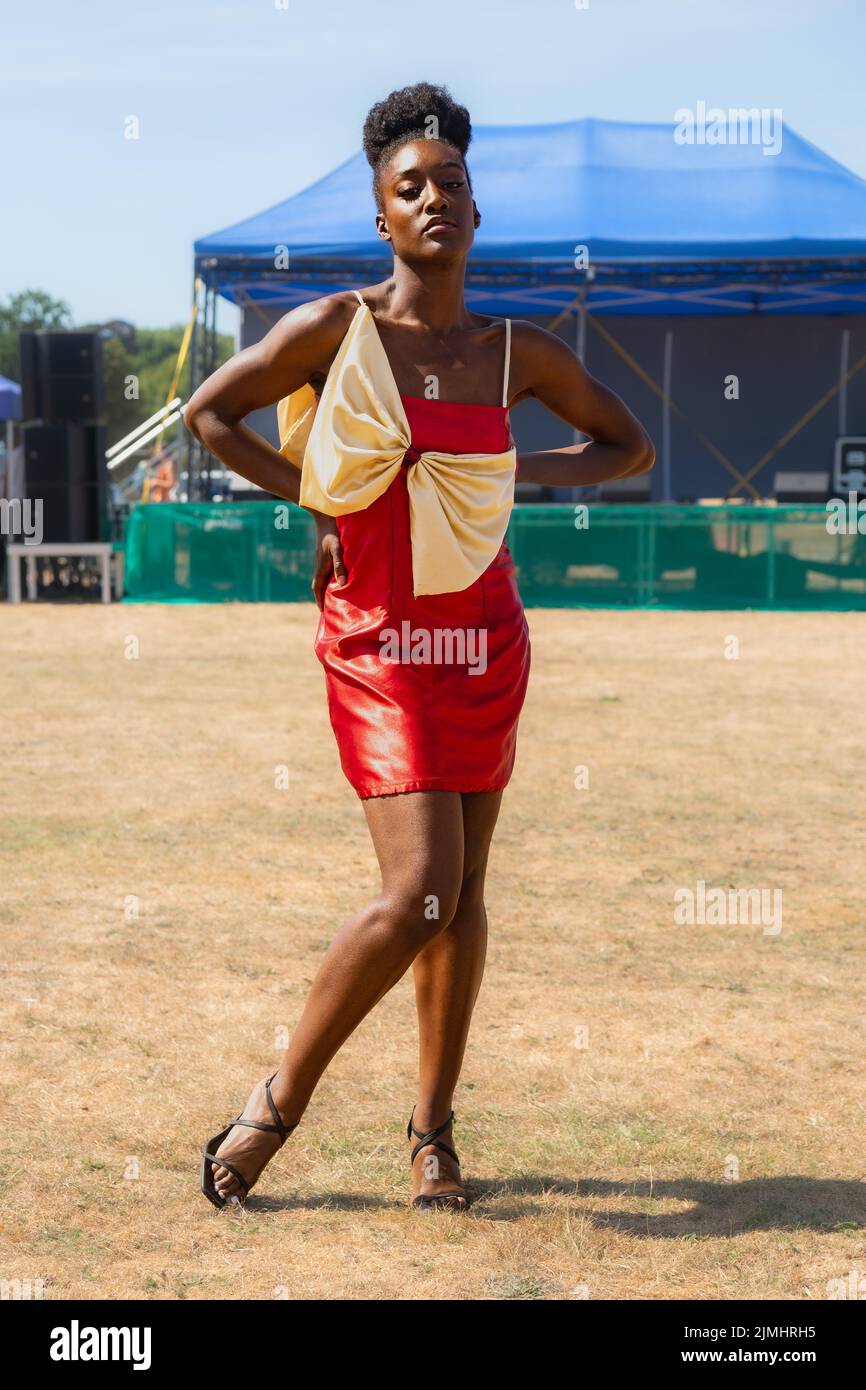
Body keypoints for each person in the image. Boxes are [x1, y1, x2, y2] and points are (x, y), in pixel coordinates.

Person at [185, 82, 654, 1212]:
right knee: (419, 891)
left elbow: (625, 446)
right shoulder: (336, 331)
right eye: (410, 188)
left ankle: (432, 1133)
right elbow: (211, 413)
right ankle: (276, 1101)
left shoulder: (514, 353)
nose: (433, 198)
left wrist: (508, 475)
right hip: (379, 635)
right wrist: (327, 502)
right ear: (381, 218)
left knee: (467, 890)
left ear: (474, 212)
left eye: (450, 183)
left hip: (483, 631)